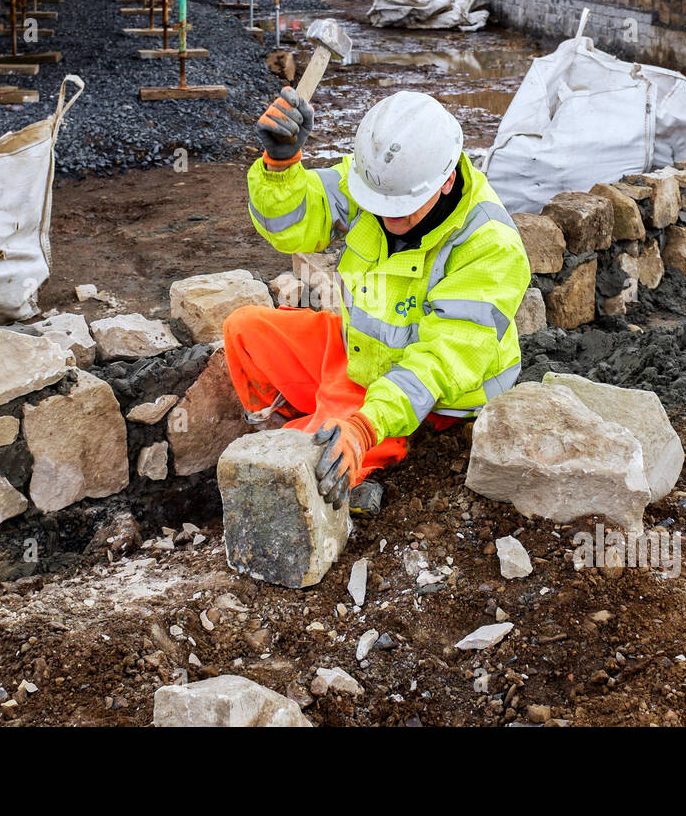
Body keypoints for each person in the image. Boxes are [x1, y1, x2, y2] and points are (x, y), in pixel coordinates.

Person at [225, 88, 531, 516]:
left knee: (317, 460)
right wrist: (281, 168)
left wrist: (365, 427)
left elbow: (438, 364)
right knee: (245, 330)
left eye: (402, 209)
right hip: (361, 356)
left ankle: (344, 443)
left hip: (428, 401)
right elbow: (291, 226)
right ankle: (287, 429)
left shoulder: (490, 246)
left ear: (446, 180)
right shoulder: (376, 180)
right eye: (376, 203)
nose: (386, 217)